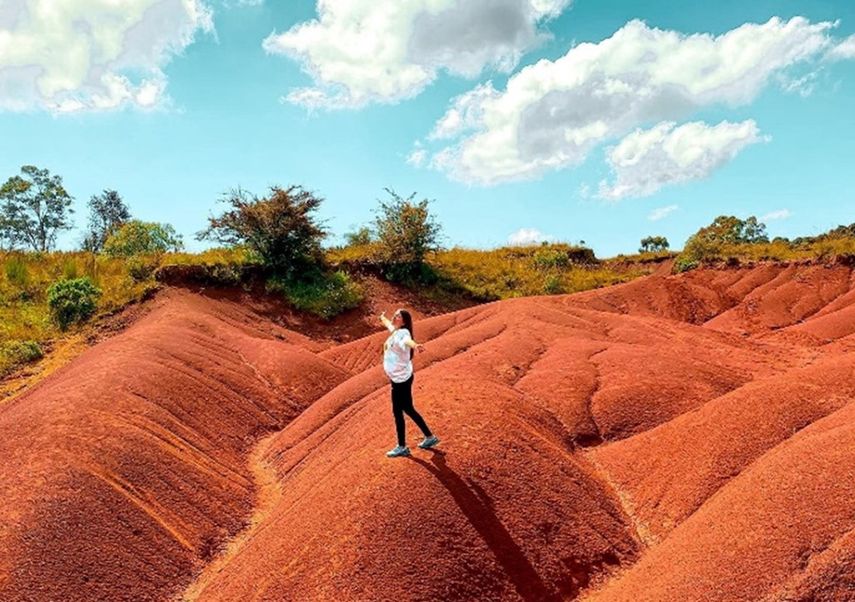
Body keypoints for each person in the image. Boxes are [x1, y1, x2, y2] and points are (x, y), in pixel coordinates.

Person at [380, 309, 439, 457]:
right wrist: (382, 318)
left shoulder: (403, 333)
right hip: (398, 379)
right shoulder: (396, 331)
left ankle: (402, 446)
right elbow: (389, 325)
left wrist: (415, 345)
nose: (395, 317)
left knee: (398, 412)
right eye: (395, 315)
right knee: (408, 409)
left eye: (398, 316)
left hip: (401, 381)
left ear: (404, 321)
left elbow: (406, 340)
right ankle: (429, 437)